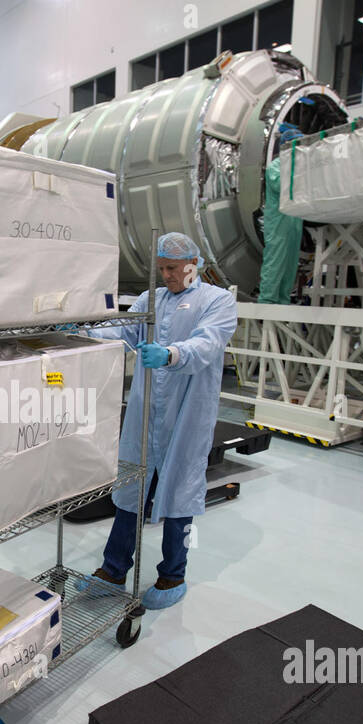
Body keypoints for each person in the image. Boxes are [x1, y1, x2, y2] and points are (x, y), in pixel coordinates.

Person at [83, 232, 238, 610]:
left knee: (180, 490)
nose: (165, 275)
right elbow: (123, 331)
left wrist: (171, 354)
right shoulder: (150, 300)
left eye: (172, 268)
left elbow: (208, 343)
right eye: (161, 268)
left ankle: (173, 574)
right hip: (146, 409)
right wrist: (85, 332)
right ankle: (113, 569)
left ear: (192, 265)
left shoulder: (217, 300)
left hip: (187, 412)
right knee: (129, 484)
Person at [258, 124, 305, 304]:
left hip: (294, 223)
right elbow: (281, 185)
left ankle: (283, 302)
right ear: (286, 146)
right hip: (278, 223)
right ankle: (267, 301)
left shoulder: (299, 168)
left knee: (290, 265)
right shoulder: (276, 167)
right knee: (275, 263)